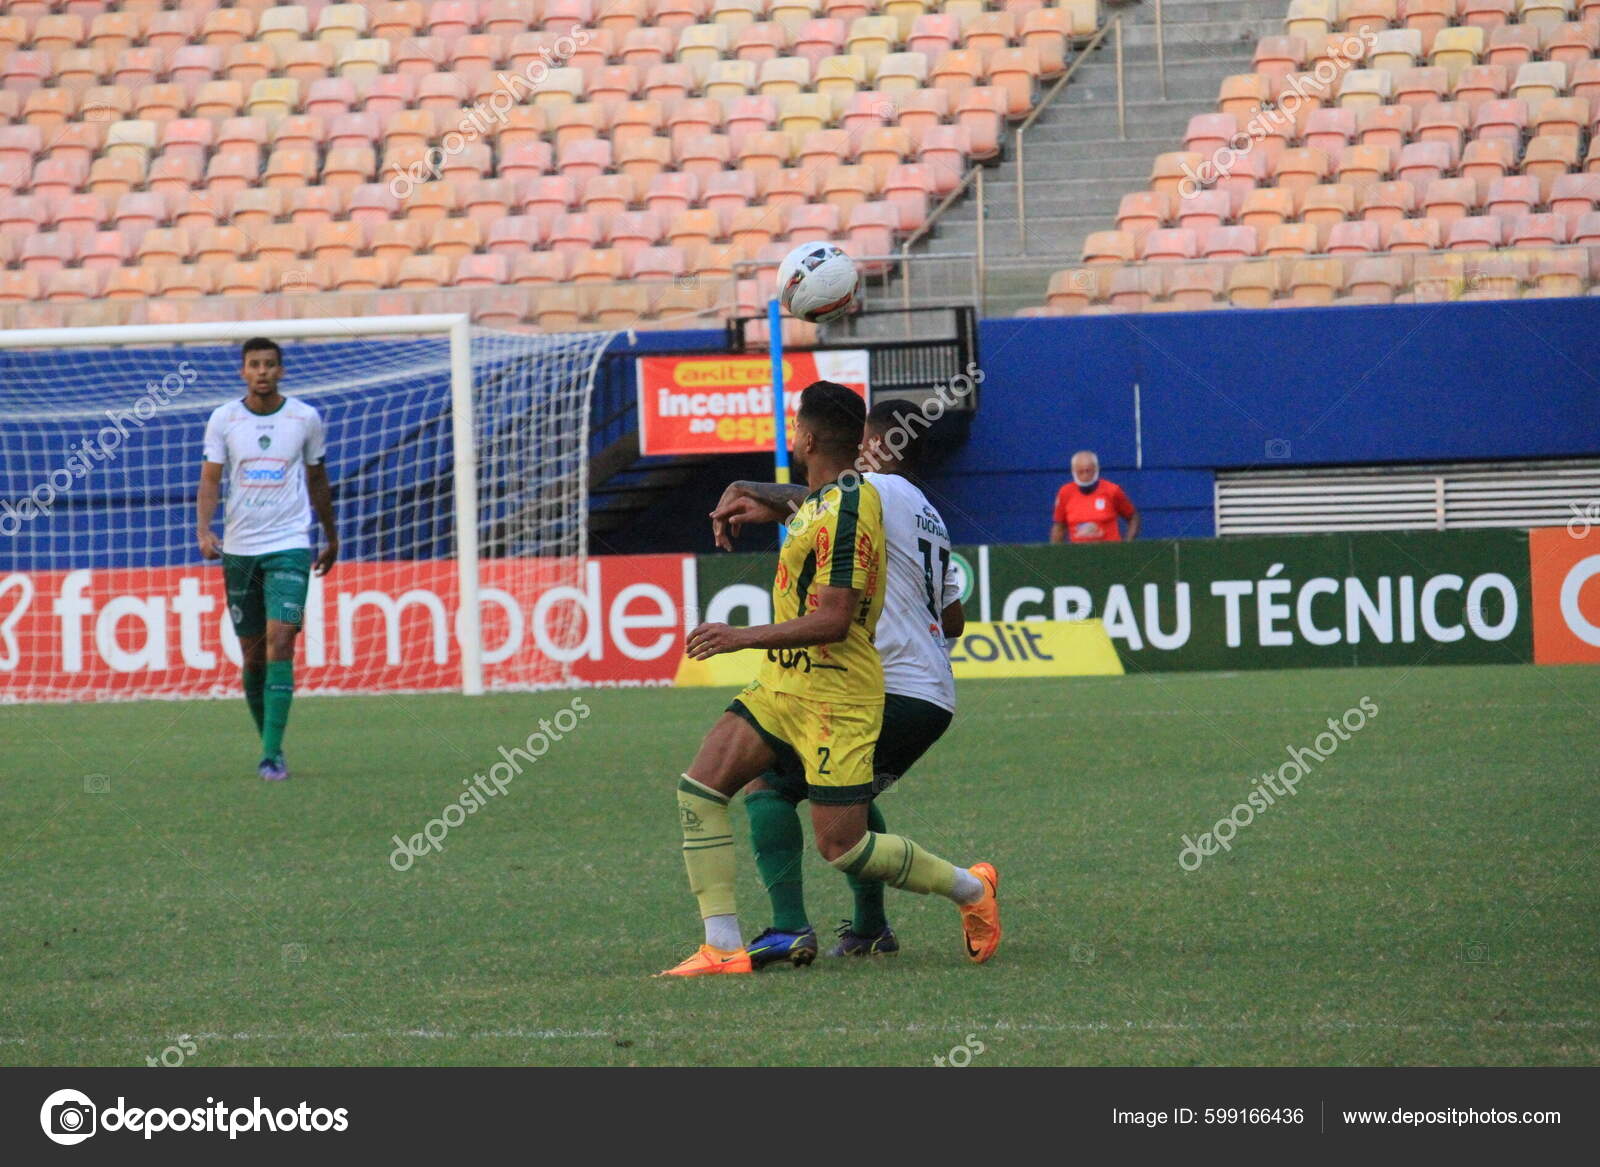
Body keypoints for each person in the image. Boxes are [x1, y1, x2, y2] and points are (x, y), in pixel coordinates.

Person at [659, 382, 1000, 977]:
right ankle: (869, 928)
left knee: (772, 788)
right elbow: (953, 619)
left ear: (874, 443)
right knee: (843, 803)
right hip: (926, 690)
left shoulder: (870, 494)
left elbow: (831, 497)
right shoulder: (927, 515)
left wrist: (759, 494)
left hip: (879, 686)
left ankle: (795, 926)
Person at [197, 338, 338, 781]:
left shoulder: (304, 417)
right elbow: (210, 479)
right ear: (243, 371)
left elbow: (318, 479)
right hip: (240, 550)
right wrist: (204, 529)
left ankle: (272, 756)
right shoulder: (224, 419)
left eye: (270, 364)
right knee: (253, 656)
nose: (262, 371)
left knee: (283, 638)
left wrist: (331, 536)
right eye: (254, 364)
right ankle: (269, 745)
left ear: (282, 370)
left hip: (290, 545)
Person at [1050, 450, 1139, 544]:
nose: (1085, 475)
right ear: (1073, 471)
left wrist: (1127, 545)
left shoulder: (1112, 490)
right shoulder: (1065, 492)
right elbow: (1059, 527)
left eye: (1088, 470)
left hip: (1109, 552)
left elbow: (1133, 517)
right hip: (1078, 554)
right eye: (1080, 472)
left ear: (1096, 469)